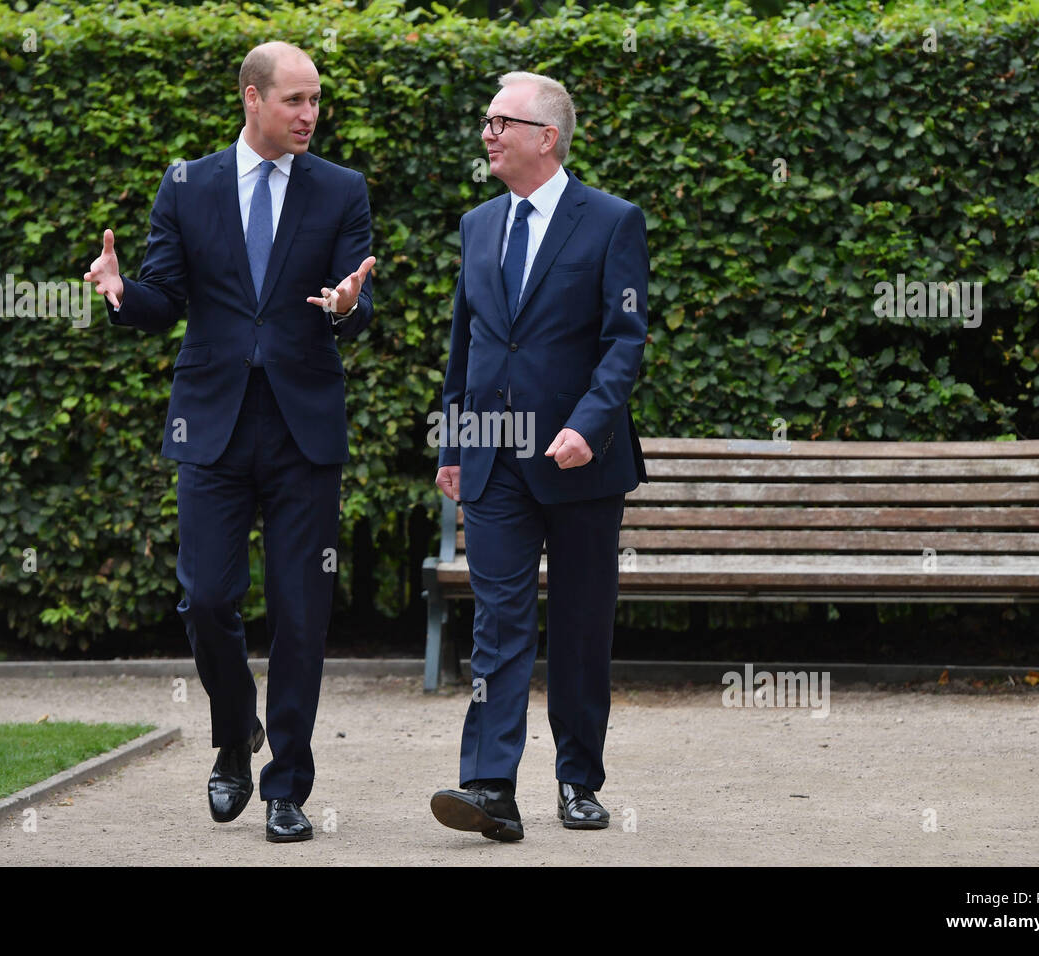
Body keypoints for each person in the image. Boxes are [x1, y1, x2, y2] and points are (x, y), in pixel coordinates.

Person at [84, 41, 375, 843]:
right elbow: (163, 297)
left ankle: (287, 787)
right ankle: (233, 731)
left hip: (301, 430)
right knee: (207, 597)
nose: (310, 114)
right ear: (252, 98)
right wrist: (119, 295)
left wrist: (349, 305)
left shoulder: (341, 190)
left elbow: (360, 301)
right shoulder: (190, 184)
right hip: (209, 424)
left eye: (317, 100)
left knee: (301, 610)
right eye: (295, 100)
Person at [430, 72, 649, 841]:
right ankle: (490, 786)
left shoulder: (613, 222)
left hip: (582, 463)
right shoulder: (477, 225)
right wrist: (455, 442)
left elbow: (626, 342)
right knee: (497, 624)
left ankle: (579, 781)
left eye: (500, 121)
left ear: (545, 136)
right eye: (486, 121)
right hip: (493, 462)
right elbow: (467, 345)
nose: (487, 133)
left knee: (583, 629)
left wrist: (590, 424)